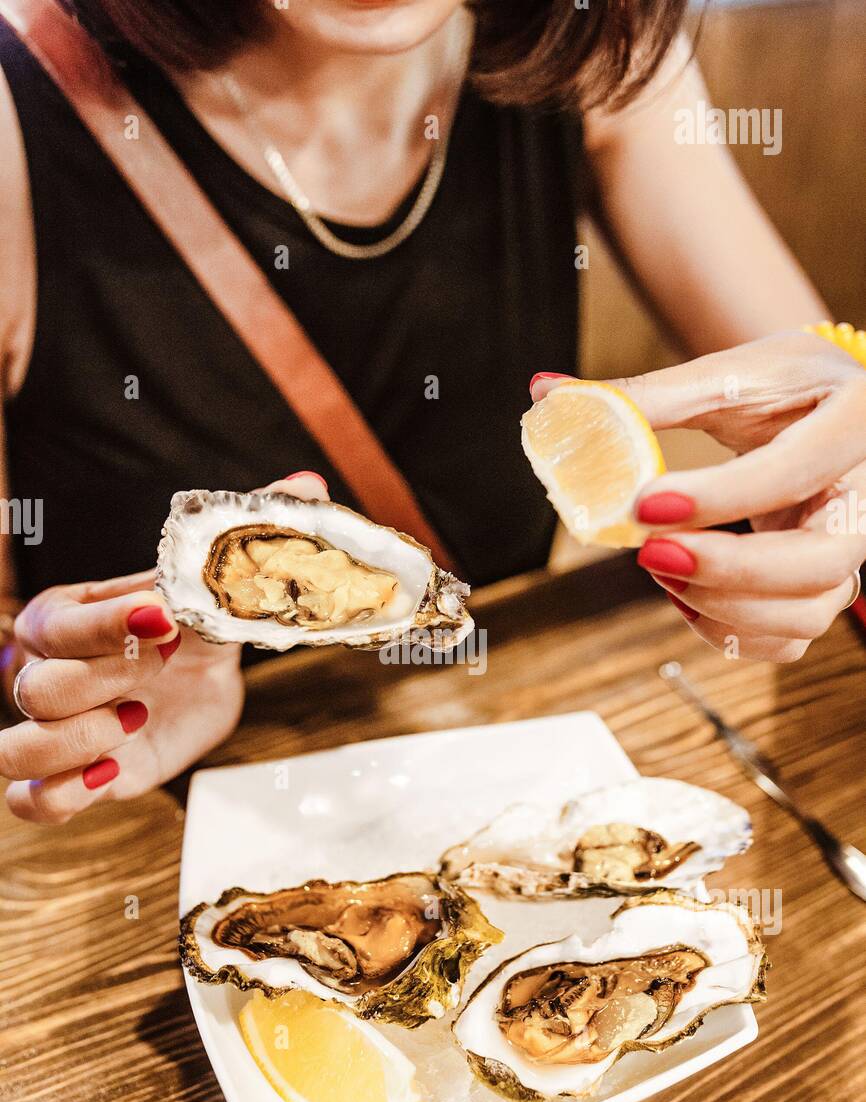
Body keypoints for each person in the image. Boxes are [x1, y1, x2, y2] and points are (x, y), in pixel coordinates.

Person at [0, 0, 862, 825]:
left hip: (501, 775)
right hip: (146, 834)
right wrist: (52, 691)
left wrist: (834, 503)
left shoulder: (583, 39)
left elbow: (820, 410)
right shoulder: (22, 113)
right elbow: (24, 666)